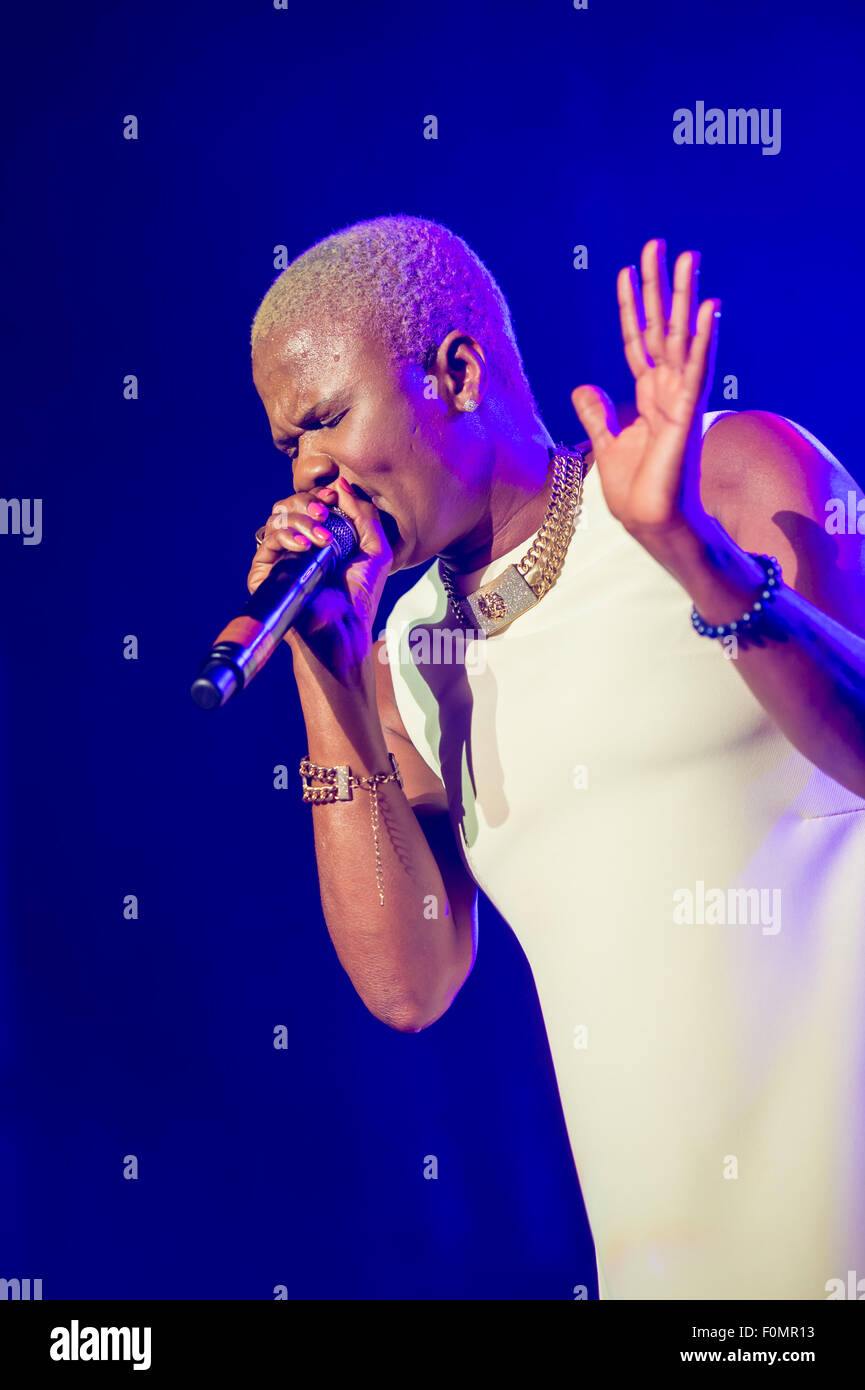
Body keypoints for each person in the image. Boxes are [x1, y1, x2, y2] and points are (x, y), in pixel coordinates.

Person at [247, 214, 865, 1300]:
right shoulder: (407, 666)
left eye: (328, 419)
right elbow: (408, 987)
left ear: (455, 368)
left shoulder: (729, 473)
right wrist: (329, 673)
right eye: (287, 445)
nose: (309, 473)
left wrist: (691, 553)